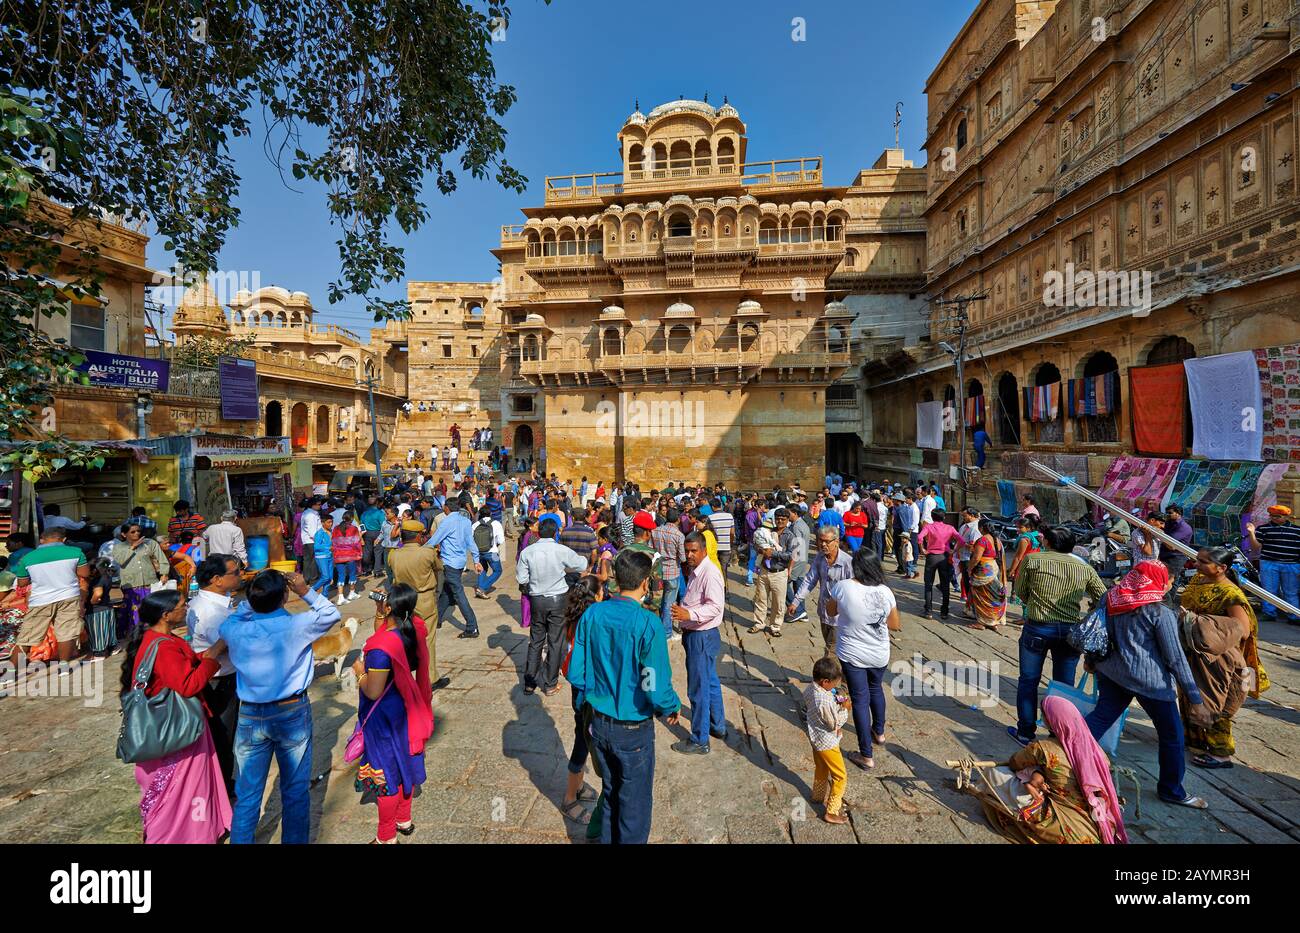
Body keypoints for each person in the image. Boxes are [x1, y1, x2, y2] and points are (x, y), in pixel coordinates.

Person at [219, 570, 342, 843]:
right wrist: (304, 589)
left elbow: (231, 620)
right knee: (295, 790)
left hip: (250, 713)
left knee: (248, 792)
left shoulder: (236, 630)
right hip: (290, 712)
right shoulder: (296, 625)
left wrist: (256, 597)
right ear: (284, 596)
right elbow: (331, 614)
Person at [566, 549, 681, 844]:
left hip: (598, 723)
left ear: (616, 579)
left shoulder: (592, 613)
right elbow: (652, 683)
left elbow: (576, 672)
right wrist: (670, 705)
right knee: (634, 808)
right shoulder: (648, 624)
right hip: (632, 730)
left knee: (610, 794)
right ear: (646, 583)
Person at [1086, 560, 1213, 809]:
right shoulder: (1159, 612)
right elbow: (1175, 658)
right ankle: (1171, 790)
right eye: (1168, 580)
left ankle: (1065, 758)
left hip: (1112, 672)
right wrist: (1195, 699)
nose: (1170, 584)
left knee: (1099, 719)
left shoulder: (1110, 599)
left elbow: (1097, 631)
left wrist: (1090, 660)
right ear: (1158, 582)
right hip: (1150, 681)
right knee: (1172, 736)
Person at [121, 589, 231, 843]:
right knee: (186, 789)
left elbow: (189, 664)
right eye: (182, 605)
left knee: (189, 788)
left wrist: (214, 650)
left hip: (173, 724)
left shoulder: (159, 639)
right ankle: (185, 835)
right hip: (177, 730)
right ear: (166, 614)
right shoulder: (164, 648)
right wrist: (213, 657)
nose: (188, 607)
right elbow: (189, 684)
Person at [974, 696, 1128, 844]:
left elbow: (1014, 763)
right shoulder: (1097, 751)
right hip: (1101, 823)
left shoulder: (1044, 749)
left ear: (1050, 721)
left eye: (1044, 714)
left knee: (994, 774)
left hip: (1065, 825)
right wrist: (1039, 771)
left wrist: (1035, 771)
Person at [350, 584, 433, 844]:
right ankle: (404, 819)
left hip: (384, 715)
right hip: (407, 707)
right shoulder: (414, 628)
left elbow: (373, 691)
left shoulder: (380, 648)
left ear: (389, 607)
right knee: (403, 764)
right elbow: (384, 631)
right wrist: (380, 611)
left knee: (386, 776)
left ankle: (386, 837)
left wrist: (359, 671)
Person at [1009, 526, 1107, 746]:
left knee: (1029, 680)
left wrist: (1035, 602)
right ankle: (1057, 732)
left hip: (1038, 627)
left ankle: (1025, 731)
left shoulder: (1033, 560)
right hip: (1070, 631)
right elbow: (1103, 597)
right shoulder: (1085, 568)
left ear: (1048, 543)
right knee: (1064, 684)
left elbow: (1021, 591)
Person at [1177, 547, 1271, 769]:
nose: (1196, 564)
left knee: (1213, 701)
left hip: (1218, 658)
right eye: (1197, 560)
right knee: (1190, 697)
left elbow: (1243, 630)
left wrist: (1201, 623)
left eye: (1203, 561)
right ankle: (1196, 741)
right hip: (1194, 651)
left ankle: (1221, 754)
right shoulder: (1200, 580)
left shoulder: (1231, 594)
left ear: (1222, 568)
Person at [825, 547, 900, 771]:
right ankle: (880, 732)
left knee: (859, 699)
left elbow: (830, 612)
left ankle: (866, 755)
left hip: (853, 654)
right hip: (879, 653)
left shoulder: (843, 587)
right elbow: (895, 624)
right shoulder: (885, 591)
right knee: (876, 689)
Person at [186, 553, 243, 796]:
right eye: (236, 572)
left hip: (222, 676)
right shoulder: (211, 613)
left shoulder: (216, 603)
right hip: (219, 680)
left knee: (224, 734)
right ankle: (223, 790)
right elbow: (226, 646)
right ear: (218, 579)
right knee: (223, 736)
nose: (240, 576)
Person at [517, 517, 588, 696]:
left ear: (538, 532)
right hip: (558, 599)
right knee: (556, 642)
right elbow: (581, 564)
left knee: (536, 640)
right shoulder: (560, 550)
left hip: (537, 600)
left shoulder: (528, 552)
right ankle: (550, 684)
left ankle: (529, 682)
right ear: (556, 533)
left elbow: (521, 578)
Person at [670, 532, 726, 754]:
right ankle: (717, 725)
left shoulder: (709, 573)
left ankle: (700, 739)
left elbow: (715, 607)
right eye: (687, 551)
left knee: (698, 689)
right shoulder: (696, 570)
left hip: (701, 636)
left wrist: (688, 614)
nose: (690, 555)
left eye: (694, 551)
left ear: (704, 550)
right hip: (699, 635)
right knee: (710, 682)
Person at [557, 575, 603, 825]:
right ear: (595, 595)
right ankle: (569, 799)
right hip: (586, 689)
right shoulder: (592, 619)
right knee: (582, 741)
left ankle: (578, 784)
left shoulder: (577, 616)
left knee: (582, 736)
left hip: (579, 687)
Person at [10, 527, 90, 666]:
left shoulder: (28, 557)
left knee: (27, 637)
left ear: (42, 540)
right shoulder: (75, 552)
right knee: (66, 633)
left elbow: (22, 583)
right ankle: (63, 667)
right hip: (68, 597)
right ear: (63, 539)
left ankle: (9, 674)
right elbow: (85, 574)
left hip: (40, 600)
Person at [789, 524, 855, 650]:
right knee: (829, 645)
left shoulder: (848, 563)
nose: (823, 544)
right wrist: (796, 602)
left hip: (841, 616)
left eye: (827, 541)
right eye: (821, 541)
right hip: (824, 612)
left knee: (832, 650)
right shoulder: (820, 558)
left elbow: (855, 590)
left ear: (836, 541)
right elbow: (809, 580)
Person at [802, 655, 851, 825]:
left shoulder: (810, 688)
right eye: (834, 684)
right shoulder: (824, 701)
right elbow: (833, 724)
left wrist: (835, 699)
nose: (835, 687)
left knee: (821, 768)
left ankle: (817, 795)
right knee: (840, 776)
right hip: (827, 742)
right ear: (825, 681)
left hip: (815, 738)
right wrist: (844, 709)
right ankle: (831, 811)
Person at [427, 494, 483, 638]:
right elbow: (471, 542)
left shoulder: (446, 522)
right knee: (446, 592)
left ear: (446, 508)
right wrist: (476, 560)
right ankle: (437, 620)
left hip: (449, 563)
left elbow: (434, 541)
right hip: (459, 563)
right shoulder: (465, 521)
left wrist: (419, 550)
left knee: (458, 594)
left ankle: (472, 626)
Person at [110, 521, 169, 635]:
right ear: (124, 534)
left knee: (151, 608)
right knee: (134, 611)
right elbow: (120, 560)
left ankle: (153, 632)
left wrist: (164, 573)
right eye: (132, 532)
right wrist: (132, 547)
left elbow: (162, 559)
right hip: (131, 583)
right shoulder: (119, 547)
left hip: (150, 581)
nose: (136, 534)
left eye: (138, 531)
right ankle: (136, 635)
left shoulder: (150, 543)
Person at [1245, 505, 1300, 624]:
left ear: (1286, 517)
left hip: (1292, 564)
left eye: (1277, 516)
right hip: (1269, 563)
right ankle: (1269, 613)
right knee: (1269, 590)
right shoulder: (1263, 529)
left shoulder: (1297, 531)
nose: (1273, 518)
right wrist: (1252, 533)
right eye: (1272, 516)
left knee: (1291, 591)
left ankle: (1294, 616)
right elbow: (1255, 547)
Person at [750, 512, 793, 637]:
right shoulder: (767, 530)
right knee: (760, 598)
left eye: (783, 519)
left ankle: (775, 626)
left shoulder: (790, 536)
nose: (780, 521)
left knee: (778, 602)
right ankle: (759, 623)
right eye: (778, 518)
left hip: (779, 572)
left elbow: (790, 555)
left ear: (787, 520)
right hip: (764, 570)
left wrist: (772, 554)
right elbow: (756, 544)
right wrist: (762, 550)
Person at [916, 509, 961, 620]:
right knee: (945, 585)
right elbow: (961, 540)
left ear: (932, 517)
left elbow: (919, 537)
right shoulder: (950, 528)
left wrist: (922, 549)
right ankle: (944, 612)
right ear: (944, 517)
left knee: (928, 584)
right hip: (944, 557)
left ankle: (928, 611)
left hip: (931, 556)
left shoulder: (928, 527)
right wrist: (953, 550)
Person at [650, 508, 687, 641]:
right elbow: (683, 558)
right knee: (669, 602)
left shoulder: (655, 531)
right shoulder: (679, 535)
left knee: (657, 601)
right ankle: (666, 632)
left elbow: (651, 550)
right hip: (672, 571)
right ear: (677, 519)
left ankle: (657, 628)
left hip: (658, 571)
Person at [966, 518, 1008, 630]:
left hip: (983, 569)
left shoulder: (983, 540)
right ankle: (993, 621)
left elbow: (976, 558)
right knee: (992, 596)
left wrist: (969, 568)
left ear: (981, 528)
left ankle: (982, 622)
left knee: (981, 596)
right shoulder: (997, 540)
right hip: (994, 568)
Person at [84, 556, 118, 658]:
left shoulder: (98, 579)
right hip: (107, 607)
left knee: (98, 632)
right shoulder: (107, 576)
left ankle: (100, 653)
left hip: (97, 611)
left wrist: (92, 601)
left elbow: (98, 593)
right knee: (108, 631)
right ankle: (113, 648)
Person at [472, 507, 505, 598]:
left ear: (480, 514)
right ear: (490, 514)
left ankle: (480, 588)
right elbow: (501, 540)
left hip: (479, 552)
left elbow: (471, 540)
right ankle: (482, 588)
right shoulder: (496, 523)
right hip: (492, 552)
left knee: (481, 569)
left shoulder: (475, 525)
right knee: (498, 571)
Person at [1006, 514, 1042, 582]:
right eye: (1017, 527)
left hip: (1024, 567)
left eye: (1020, 527)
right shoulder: (1037, 535)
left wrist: (1011, 571)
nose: (1018, 529)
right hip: (1035, 566)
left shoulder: (1024, 539)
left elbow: (1018, 557)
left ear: (1028, 528)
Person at [311, 513, 335, 595]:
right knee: (325, 577)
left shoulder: (331, 531)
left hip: (330, 556)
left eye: (331, 522)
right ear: (322, 523)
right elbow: (316, 546)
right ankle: (312, 589)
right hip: (321, 557)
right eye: (328, 522)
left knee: (329, 579)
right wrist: (328, 547)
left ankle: (325, 598)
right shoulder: (319, 533)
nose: (331, 524)